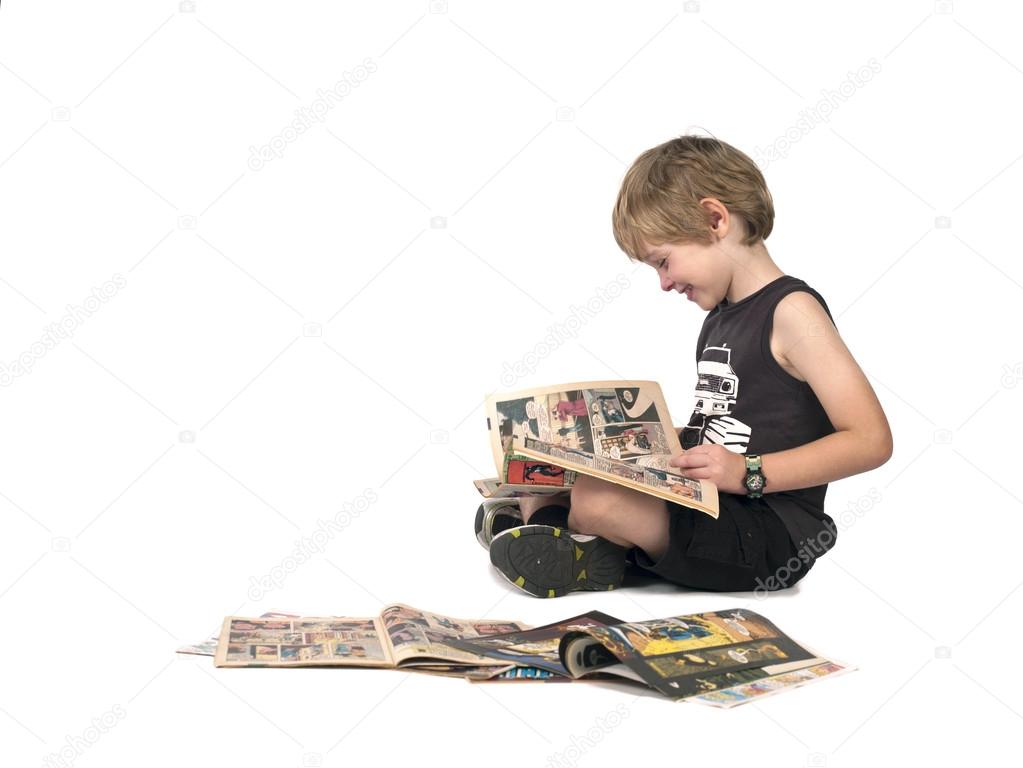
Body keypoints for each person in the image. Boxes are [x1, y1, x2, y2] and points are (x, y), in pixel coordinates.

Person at [477, 134, 893, 597]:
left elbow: (871, 441)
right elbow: (724, 423)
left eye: (663, 261)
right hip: (715, 505)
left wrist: (749, 472)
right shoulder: (720, 319)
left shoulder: (794, 313)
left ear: (715, 219)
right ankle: (554, 531)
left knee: (599, 499)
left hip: (769, 531)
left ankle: (557, 537)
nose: (664, 282)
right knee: (539, 478)